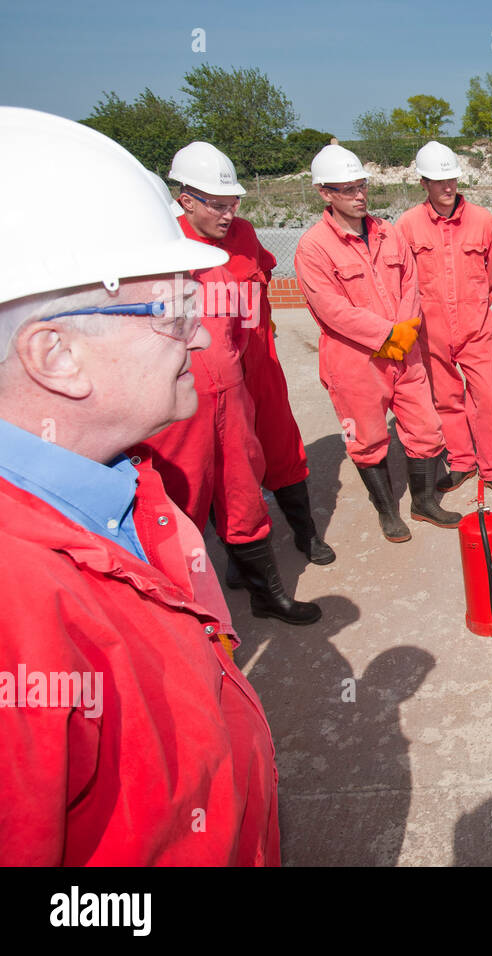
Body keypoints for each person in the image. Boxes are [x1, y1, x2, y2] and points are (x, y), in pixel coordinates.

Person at [0, 106, 279, 864]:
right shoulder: (17, 612)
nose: (198, 332)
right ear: (55, 354)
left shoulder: (131, 494)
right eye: (172, 311)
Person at [138, 142, 322, 625]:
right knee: (182, 503)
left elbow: (254, 287)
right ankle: (181, 614)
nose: (227, 213)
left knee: (243, 488)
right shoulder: (158, 249)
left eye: (232, 203)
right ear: (186, 200)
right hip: (180, 402)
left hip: (236, 385)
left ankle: (266, 595)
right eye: (217, 204)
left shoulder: (242, 236)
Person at [295, 144, 460, 541]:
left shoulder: (388, 233)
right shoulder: (314, 247)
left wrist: (404, 329)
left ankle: (424, 503)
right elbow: (330, 308)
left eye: (361, 186)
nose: (359, 195)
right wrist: (383, 334)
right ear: (325, 193)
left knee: (425, 427)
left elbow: (410, 283)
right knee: (367, 438)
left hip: (404, 351)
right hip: (356, 362)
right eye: (347, 189)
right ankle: (388, 511)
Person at [396, 141, 492, 499]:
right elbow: (403, 276)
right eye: (438, 181)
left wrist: (476, 300)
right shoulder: (407, 225)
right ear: (423, 183)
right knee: (446, 399)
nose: (447, 187)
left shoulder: (482, 220)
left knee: (487, 396)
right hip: (430, 330)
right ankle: (462, 462)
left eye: (451, 179)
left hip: (476, 327)